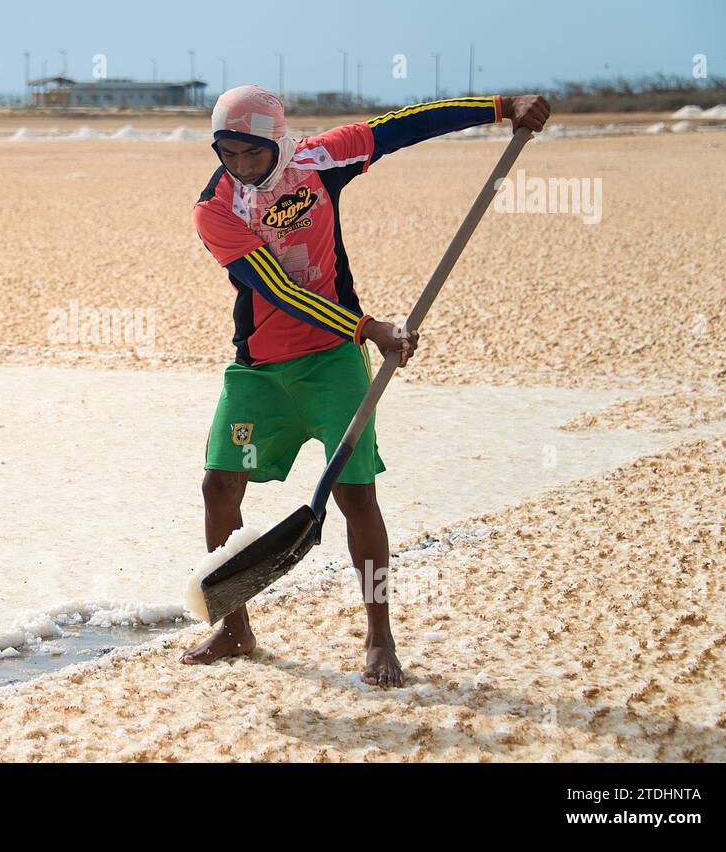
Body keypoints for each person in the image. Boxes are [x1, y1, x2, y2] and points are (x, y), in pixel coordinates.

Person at [185, 85, 551, 686]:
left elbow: (402, 127)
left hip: (333, 366)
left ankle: (380, 635)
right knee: (219, 485)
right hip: (258, 372)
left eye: (254, 153)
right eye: (228, 154)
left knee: (356, 497)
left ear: (279, 140)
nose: (243, 167)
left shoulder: (320, 160)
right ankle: (234, 624)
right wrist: (371, 328)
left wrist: (499, 107)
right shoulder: (216, 208)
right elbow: (275, 288)